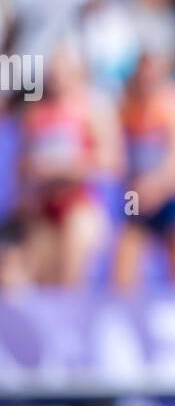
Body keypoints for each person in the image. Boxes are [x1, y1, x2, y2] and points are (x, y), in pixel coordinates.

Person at [16, 45, 119, 286]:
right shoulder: (34, 112)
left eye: (64, 71)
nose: (57, 78)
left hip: (80, 203)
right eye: (53, 72)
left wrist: (67, 168)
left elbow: (111, 162)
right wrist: (36, 171)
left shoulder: (93, 111)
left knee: (73, 258)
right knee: (37, 269)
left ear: (77, 73)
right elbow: (22, 166)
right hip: (42, 205)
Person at [113, 52, 175, 289]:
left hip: (170, 197)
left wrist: (157, 187)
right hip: (138, 199)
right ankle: (122, 314)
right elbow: (118, 160)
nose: (147, 79)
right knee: (125, 256)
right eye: (144, 74)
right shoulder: (127, 107)